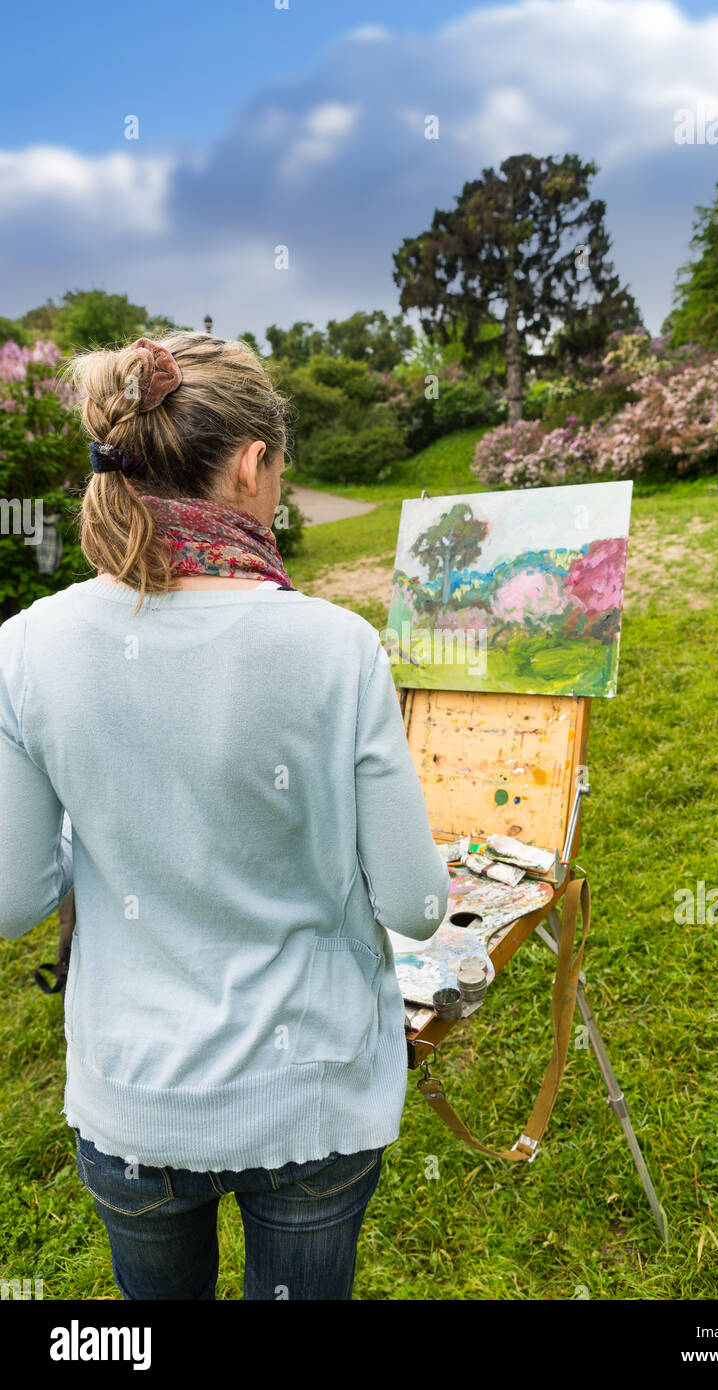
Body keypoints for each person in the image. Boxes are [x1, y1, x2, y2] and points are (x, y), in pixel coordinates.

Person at [0, 332, 451, 1300]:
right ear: (252, 466)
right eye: (280, 467)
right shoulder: (335, 647)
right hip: (310, 1099)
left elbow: (11, 900)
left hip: (134, 1100)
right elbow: (415, 906)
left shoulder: (24, 647)